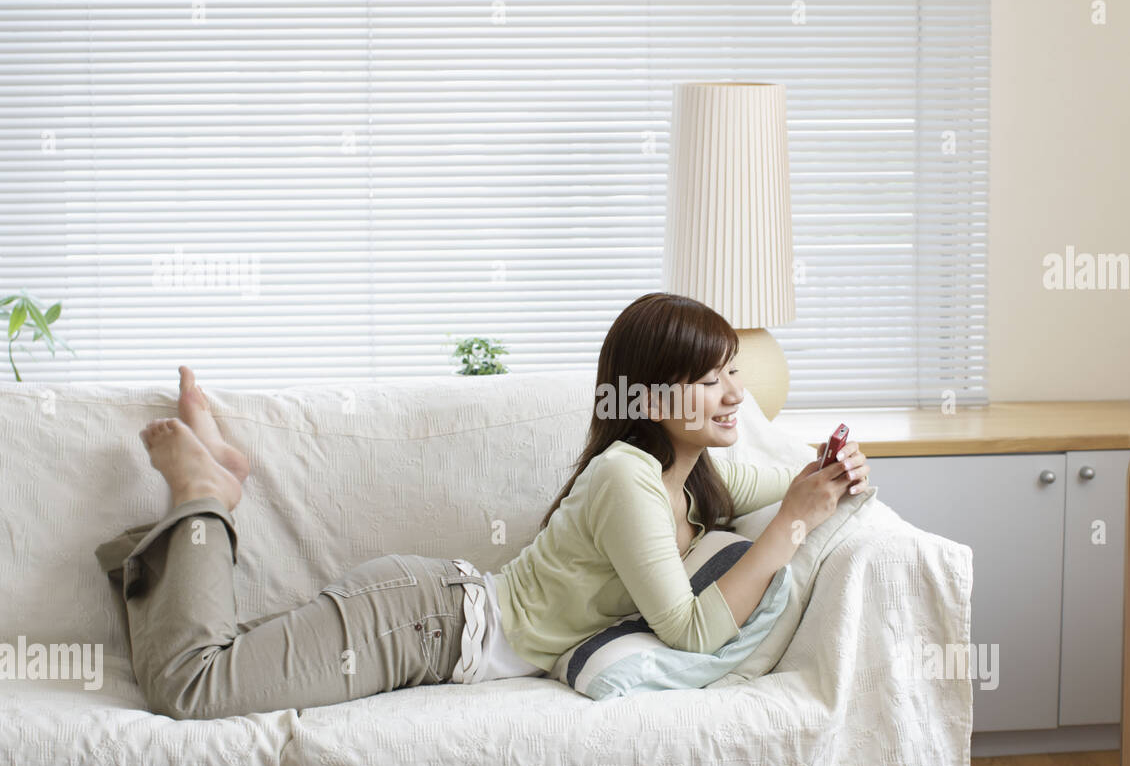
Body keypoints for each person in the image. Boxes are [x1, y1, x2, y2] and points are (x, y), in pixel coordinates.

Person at [95, 292, 869, 720]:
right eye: (709, 379)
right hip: (420, 627)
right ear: (651, 393)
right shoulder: (628, 478)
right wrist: (794, 527)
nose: (735, 394)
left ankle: (208, 493)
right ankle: (202, 494)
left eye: (734, 370)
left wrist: (836, 469)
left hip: (427, 617)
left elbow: (795, 481)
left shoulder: (693, 481)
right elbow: (693, 631)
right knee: (191, 687)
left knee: (212, 660)